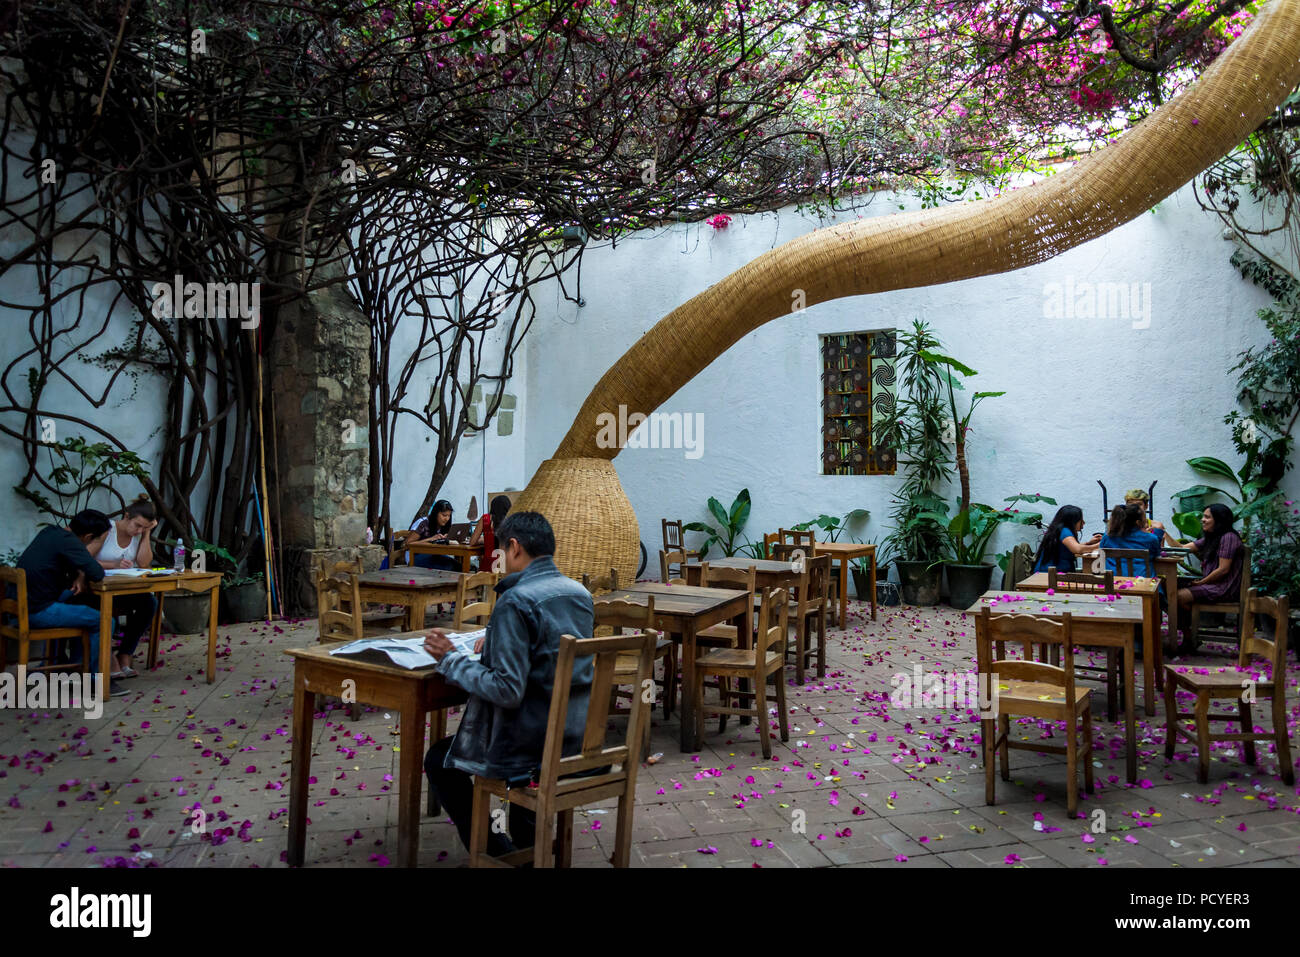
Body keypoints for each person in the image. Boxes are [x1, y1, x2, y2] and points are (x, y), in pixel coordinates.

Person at [422, 511, 595, 859]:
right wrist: (498, 637)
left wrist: (450, 659)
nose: (497, 561)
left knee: (439, 760)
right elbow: (549, 647)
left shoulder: (515, 600)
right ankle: (529, 841)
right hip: (573, 739)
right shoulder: (579, 594)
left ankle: (495, 851)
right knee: (527, 729)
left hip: (528, 749)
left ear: (514, 548)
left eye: (499, 552)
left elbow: (506, 689)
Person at [14, 510, 128, 697]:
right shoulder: (71, 542)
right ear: (89, 536)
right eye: (96, 540)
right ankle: (91, 682)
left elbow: (71, 565)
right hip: (38, 611)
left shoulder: (51, 532)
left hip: (22, 606)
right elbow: (96, 573)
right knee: (104, 621)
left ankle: (72, 670)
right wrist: (83, 572)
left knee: (83, 605)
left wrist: (78, 574)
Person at [86, 494, 159, 679]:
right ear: (127, 516)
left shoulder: (140, 534)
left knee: (149, 603)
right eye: (137, 525)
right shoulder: (107, 529)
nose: (138, 530)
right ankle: (109, 656)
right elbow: (86, 558)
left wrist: (146, 534)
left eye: (144, 527)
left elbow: (143, 563)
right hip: (96, 589)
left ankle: (125, 652)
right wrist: (113, 565)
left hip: (122, 588)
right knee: (104, 607)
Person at [1171, 504, 1244, 654]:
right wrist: (1162, 532)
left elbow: (1223, 569)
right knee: (1169, 591)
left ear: (1219, 520)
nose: (1202, 520)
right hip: (1213, 585)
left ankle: (1189, 634)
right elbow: (1180, 549)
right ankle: (1190, 633)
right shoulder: (1213, 538)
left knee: (1175, 597)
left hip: (1224, 588)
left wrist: (1202, 582)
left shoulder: (1229, 538)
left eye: (1207, 517)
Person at [381, 499, 460, 571]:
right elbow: (407, 544)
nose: (447, 518)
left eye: (449, 515)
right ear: (436, 513)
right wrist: (430, 539)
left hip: (434, 555)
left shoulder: (444, 526)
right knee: (448, 568)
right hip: (414, 556)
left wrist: (446, 540)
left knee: (457, 566)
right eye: (444, 515)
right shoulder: (423, 523)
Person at [1031, 505, 1102, 574]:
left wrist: (1088, 543)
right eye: (1081, 520)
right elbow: (1077, 549)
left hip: (1048, 572)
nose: (1083, 523)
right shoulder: (1065, 531)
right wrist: (1101, 544)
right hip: (1048, 575)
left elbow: (1067, 547)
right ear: (1073, 521)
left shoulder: (1059, 529)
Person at [1099, 503, 1162, 577]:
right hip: (1142, 583)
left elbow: (1101, 553)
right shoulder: (1150, 538)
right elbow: (1157, 553)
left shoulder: (1107, 537)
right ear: (1138, 522)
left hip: (1113, 582)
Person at [469, 495, 511, 571]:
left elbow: (472, 542)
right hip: (504, 564)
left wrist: (485, 540)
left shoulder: (485, 519)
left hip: (487, 563)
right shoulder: (510, 521)